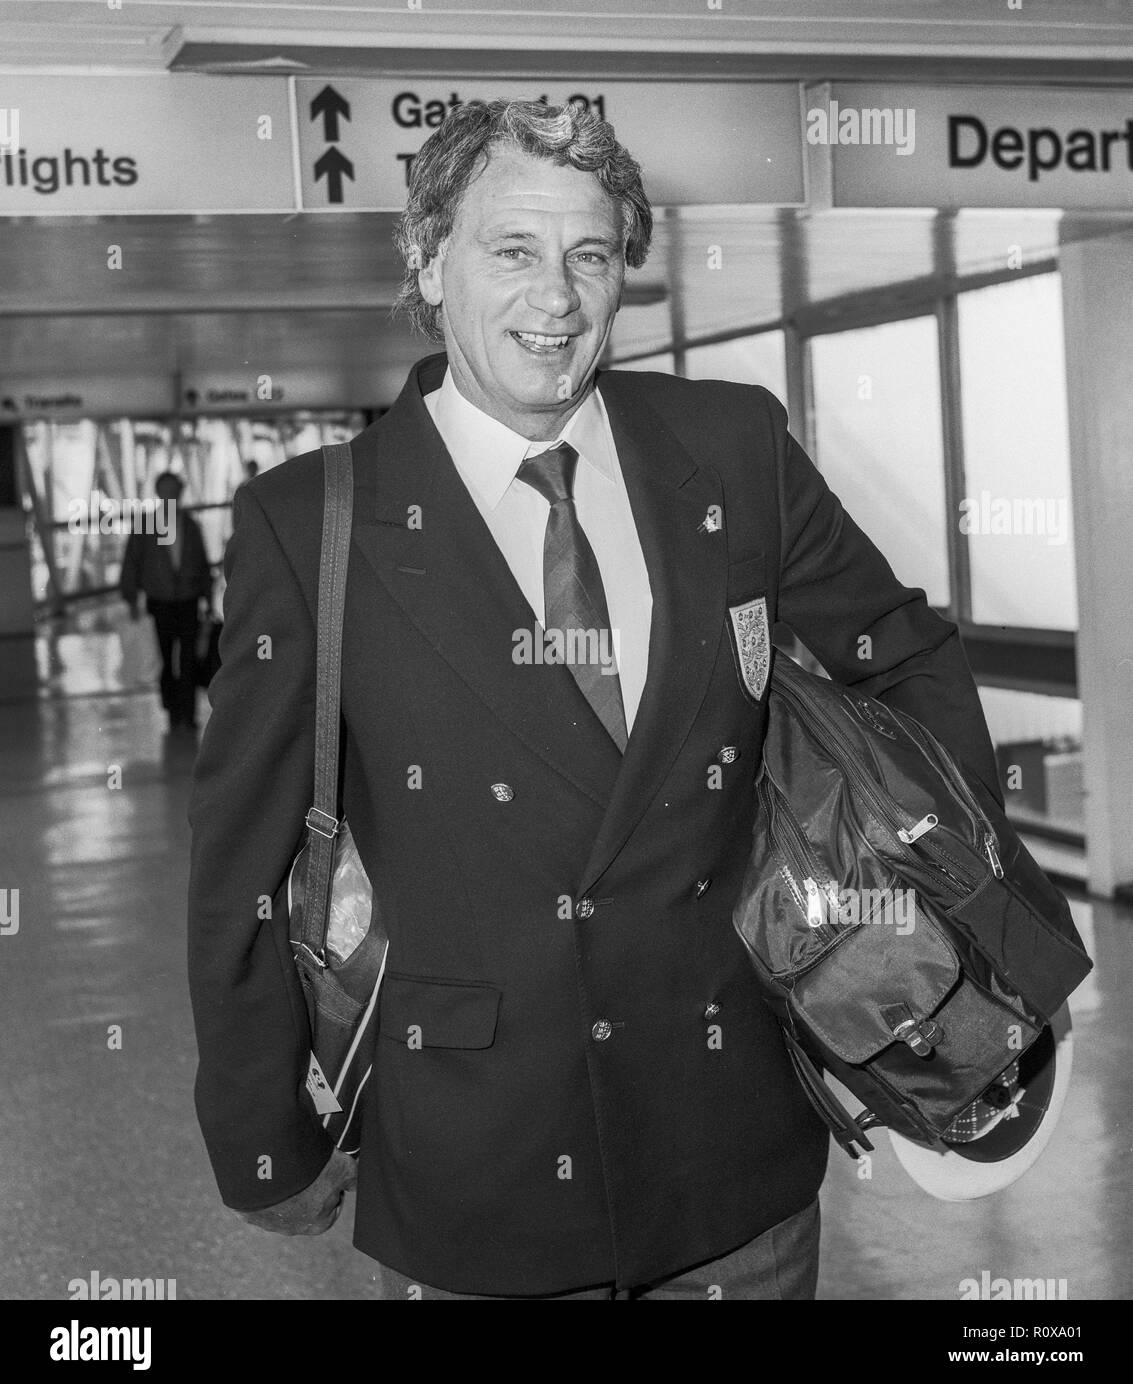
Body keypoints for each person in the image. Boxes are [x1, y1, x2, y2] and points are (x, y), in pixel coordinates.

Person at [187, 100, 1003, 1299]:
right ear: (426, 259)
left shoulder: (730, 449)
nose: (555, 297)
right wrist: (263, 1138)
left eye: (589, 254)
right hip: (476, 1168)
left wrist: (947, 905)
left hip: (733, 1154)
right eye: (511, 251)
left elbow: (901, 652)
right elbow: (239, 863)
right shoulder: (310, 520)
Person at [120, 471, 212, 731]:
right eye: (166, 490)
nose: (171, 495)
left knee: (188, 659)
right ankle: (173, 709)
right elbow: (132, 562)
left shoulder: (191, 526)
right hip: (159, 601)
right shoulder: (145, 526)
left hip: (188, 600)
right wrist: (131, 597)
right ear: (159, 493)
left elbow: (202, 563)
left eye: (175, 490)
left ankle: (187, 713)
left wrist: (207, 597)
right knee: (164, 657)